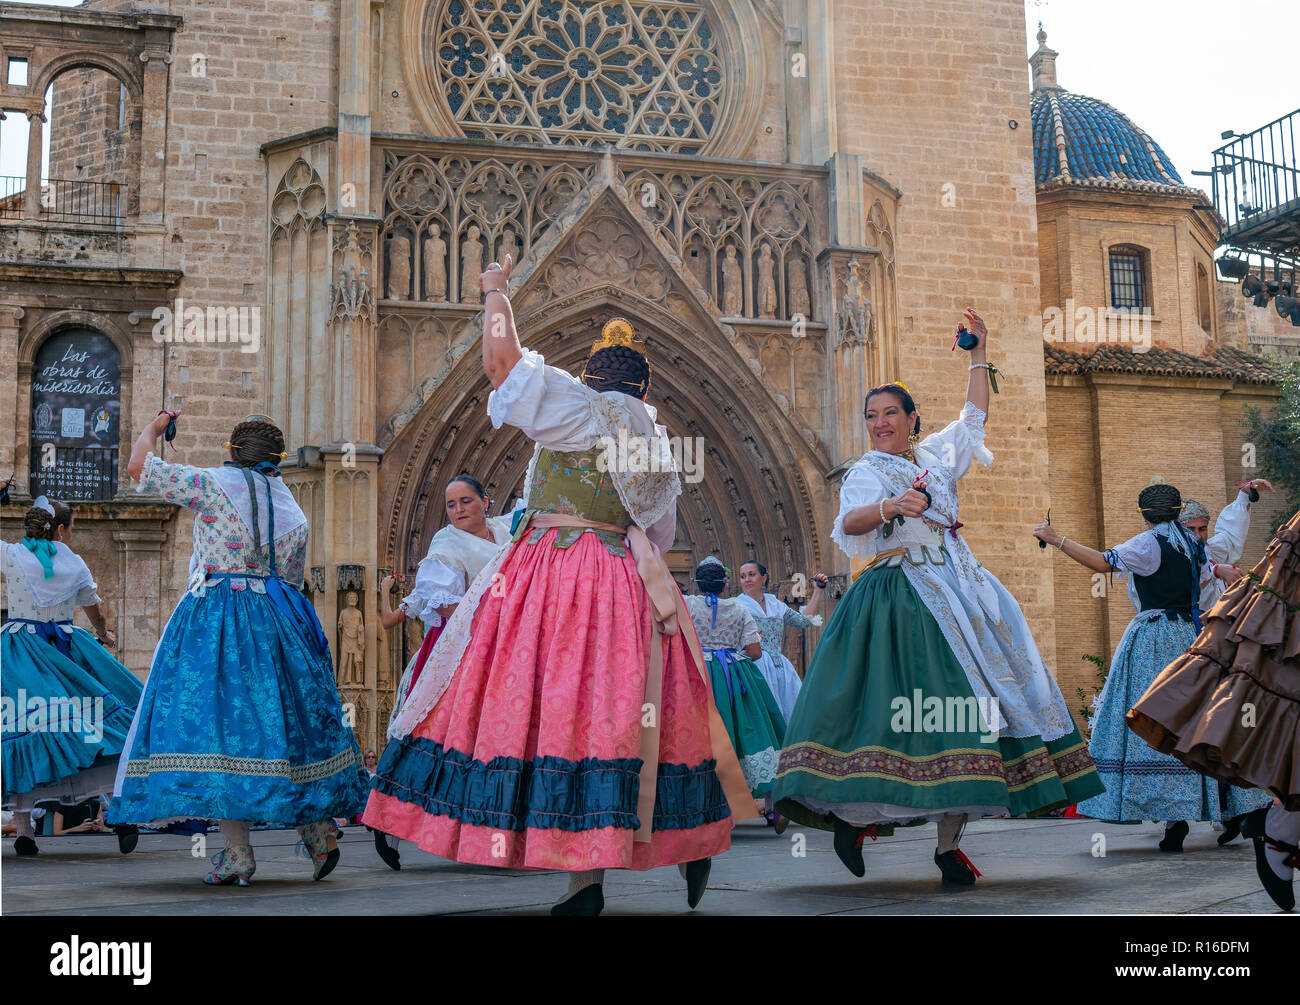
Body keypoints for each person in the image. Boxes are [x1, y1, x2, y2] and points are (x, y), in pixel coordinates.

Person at [364, 253, 756, 916]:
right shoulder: (651, 438)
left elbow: (501, 366)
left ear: (591, 379)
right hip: (614, 576)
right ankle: (655, 854)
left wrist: (495, 292)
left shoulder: (576, 408)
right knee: (611, 720)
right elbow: (658, 536)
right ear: (642, 389)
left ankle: (535, 857)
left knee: (515, 700)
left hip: (547, 570)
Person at [774, 308, 1103, 886]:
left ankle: (948, 847)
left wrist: (979, 352)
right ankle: (855, 819)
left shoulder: (934, 459)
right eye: (872, 415)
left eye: (890, 414)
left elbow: (974, 416)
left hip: (963, 591)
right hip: (900, 597)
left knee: (977, 718)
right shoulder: (868, 469)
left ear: (911, 419)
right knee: (892, 718)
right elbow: (849, 523)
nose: (879, 424)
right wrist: (891, 508)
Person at [109, 411, 369, 886]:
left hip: (219, 620)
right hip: (280, 621)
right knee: (289, 725)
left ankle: (237, 854)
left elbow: (139, 467)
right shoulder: (294, 511)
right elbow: (290, 579)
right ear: (278, 462)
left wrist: (156, 425)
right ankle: (317, 834)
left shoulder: (212, 485)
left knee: (222, 732)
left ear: (231, 453)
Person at [1035, 480, 1272, 851]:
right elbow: (1210, 573)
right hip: (1194, 637)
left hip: (1155, 637)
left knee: (1152, 720)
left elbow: (1102, 561)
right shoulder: (1192, 544)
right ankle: (1232, 805)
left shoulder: (1148, 543)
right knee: (1198, 717)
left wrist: (1055, 538)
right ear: (1179, 513)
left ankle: (1174, 819)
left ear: (1145, 516)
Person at [1128, 507, 1300, 911]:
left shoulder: (1198, 549)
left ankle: (1276, 823)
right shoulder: (1150, 548)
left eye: (1202, 528)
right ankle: (1276, 825)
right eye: (1194, 528)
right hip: (1170, 631)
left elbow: (1227, 538)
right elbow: (1109, 561)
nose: (1199, 534)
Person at [369, 474, 512, 870]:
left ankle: (491, 837)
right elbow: (447, 608)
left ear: (487, 499)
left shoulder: (505, 531)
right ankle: (391, 823)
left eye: (466, 500)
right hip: (462, 649)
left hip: (503, 649)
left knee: (493, 741)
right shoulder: (446, 544)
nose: (459, 509)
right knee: (443, 735)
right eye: (451, 504)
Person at [2, 498, 143, 857]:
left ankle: (24, 832)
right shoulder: (74, 563)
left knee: (24, 728)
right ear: (62, 530)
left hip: (21, 652)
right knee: (96, 725)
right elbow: (92, 607)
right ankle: (119, 811)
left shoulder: (13, 555)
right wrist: (102, 634)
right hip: (68, 651)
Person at [683, 558, 786, 803]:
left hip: (698, 674)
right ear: (725, 585)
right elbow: (755, 652)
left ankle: (702, 799)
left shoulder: (688, 604)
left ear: (697, 583)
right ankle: (772, 802)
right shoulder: (739, 609)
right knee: (750, 730)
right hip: (734, 673)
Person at [734, 559, 826, 721]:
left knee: (792, 714)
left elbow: (803, 621)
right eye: (742, 576)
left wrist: (818, 591)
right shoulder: (737, 605)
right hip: (753, 666)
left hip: (779, 667)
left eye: (751, 574)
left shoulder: (775, 604)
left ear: (764, 578)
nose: (746, 579)